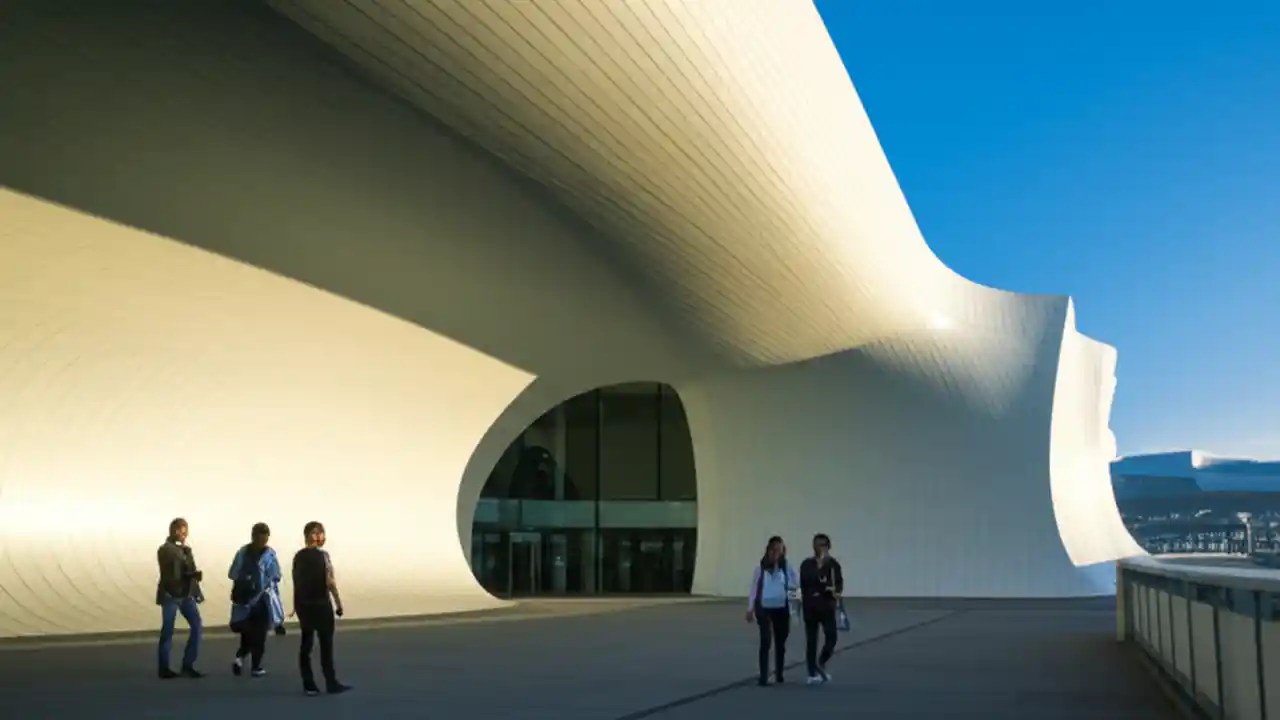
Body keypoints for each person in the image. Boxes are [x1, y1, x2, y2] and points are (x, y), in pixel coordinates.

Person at [292, 521, 351, 696]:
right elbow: (330, 581)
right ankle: (330, 682)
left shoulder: (298, 557)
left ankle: (308, 683)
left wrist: (296, 606)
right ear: (310, 536)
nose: (319, 536)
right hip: (321, 605)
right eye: (317, 533)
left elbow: (296, 582)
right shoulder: (323, 556)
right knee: (326, 645)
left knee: (307, 643)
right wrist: (338, 603)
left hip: (304, 605)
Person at [227, 522, 284, 678]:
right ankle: (256, 667)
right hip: (261, 600)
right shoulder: (269, 554)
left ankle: (239, 659)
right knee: (259, 635)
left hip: (244, 600)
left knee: (248, 635)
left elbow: (232, 573)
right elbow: (276, 576)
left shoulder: (242, 552)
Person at [745, 535, 799, 686]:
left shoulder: (788, 568)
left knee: (780, 643)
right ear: (768, 551)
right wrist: (750, 609)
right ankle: (763, 675)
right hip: (764, 608)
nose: (776, 553)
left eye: (779, 550)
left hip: (782, 608)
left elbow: (795, 586)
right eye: (773, 550)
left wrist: (794, 608)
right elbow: (754, 589)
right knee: (765, 641)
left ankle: (779, 673)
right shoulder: (760, 569)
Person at [156, 517, 205, 679]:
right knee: (168, 631)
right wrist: (190, 574)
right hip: (171, 594)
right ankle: (164, 668)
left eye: (185, 532)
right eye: (182, 532)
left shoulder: (186, 550)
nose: (184, 535)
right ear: (174, 531)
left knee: (197, 626)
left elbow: (190, 569)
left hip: (185, 594)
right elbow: (171, 574)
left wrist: (196, 590)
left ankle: (188, 664)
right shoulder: (165, 550)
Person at [799, 532, 843, 685]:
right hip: (810, 607)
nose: (820, 547)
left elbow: (839, 585)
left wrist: (834, 591)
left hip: (827, 607)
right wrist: (818, 572)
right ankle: (811, 673)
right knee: (811, 641)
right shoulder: (806, 564)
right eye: (817, 544)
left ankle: (821, 661)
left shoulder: (833, 565)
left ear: (828, 546)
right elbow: (804, 583)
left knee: (832, 637)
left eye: (823, 544)